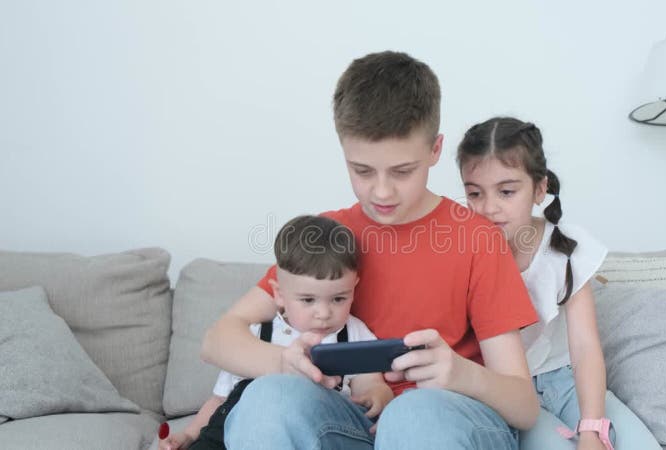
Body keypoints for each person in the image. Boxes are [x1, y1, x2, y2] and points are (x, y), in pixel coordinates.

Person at [201, 51, 540, 449]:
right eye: (362, 171)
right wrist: (282, 363)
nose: (381, 191)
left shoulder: (477, 240)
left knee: (412, 415)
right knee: (266, 397)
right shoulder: (326, 235)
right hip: (353, 421)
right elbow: (217, 340)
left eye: (402, 171)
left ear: (435, 150)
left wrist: (461, 373)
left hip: (445, 420)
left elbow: (524, 407)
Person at [457, 116, 662, 450]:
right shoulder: (463, 249)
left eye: (507, 192)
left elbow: (584, 347)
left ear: (539, 189)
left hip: (566, 381)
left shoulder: (566, 249)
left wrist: (592, 429)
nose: (489, 208)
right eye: (475, 194)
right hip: (508, 392)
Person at [160, 215, 391, 450]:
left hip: (312, 428)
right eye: (308, 300)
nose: (323, 313)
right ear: (279, 295)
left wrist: (377, 394)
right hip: (226, 431)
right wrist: (188, 434)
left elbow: (370, 382)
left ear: (354, 288)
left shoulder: (353, 334)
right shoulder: (256, 334)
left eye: (339, 299)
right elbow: (220, 399)